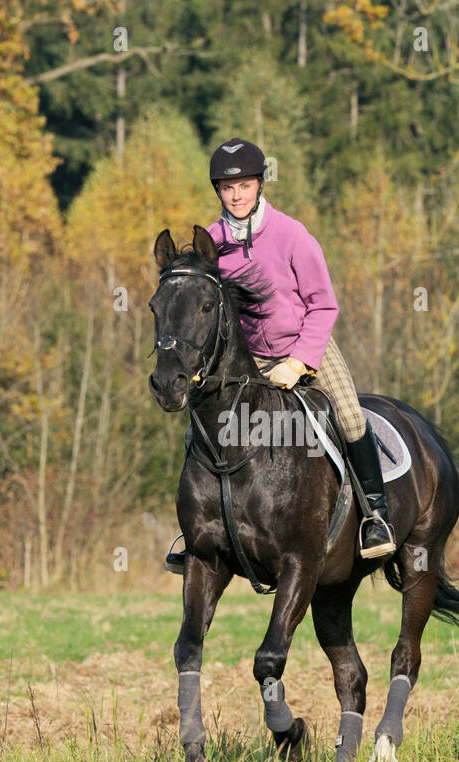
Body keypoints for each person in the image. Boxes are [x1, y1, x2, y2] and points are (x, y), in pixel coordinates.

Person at [166, 137, 396, 571]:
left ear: (260, 186)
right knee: (199, 426)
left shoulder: (293, 235)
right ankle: (194, 530)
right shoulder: (210, 244)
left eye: (245, 186)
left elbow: (324, 304)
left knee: (348, 415)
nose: (236, 196)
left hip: (306, 346)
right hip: (247, 360)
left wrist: (299, 361)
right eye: (227, 188)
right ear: (218, 191)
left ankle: (374, 517)